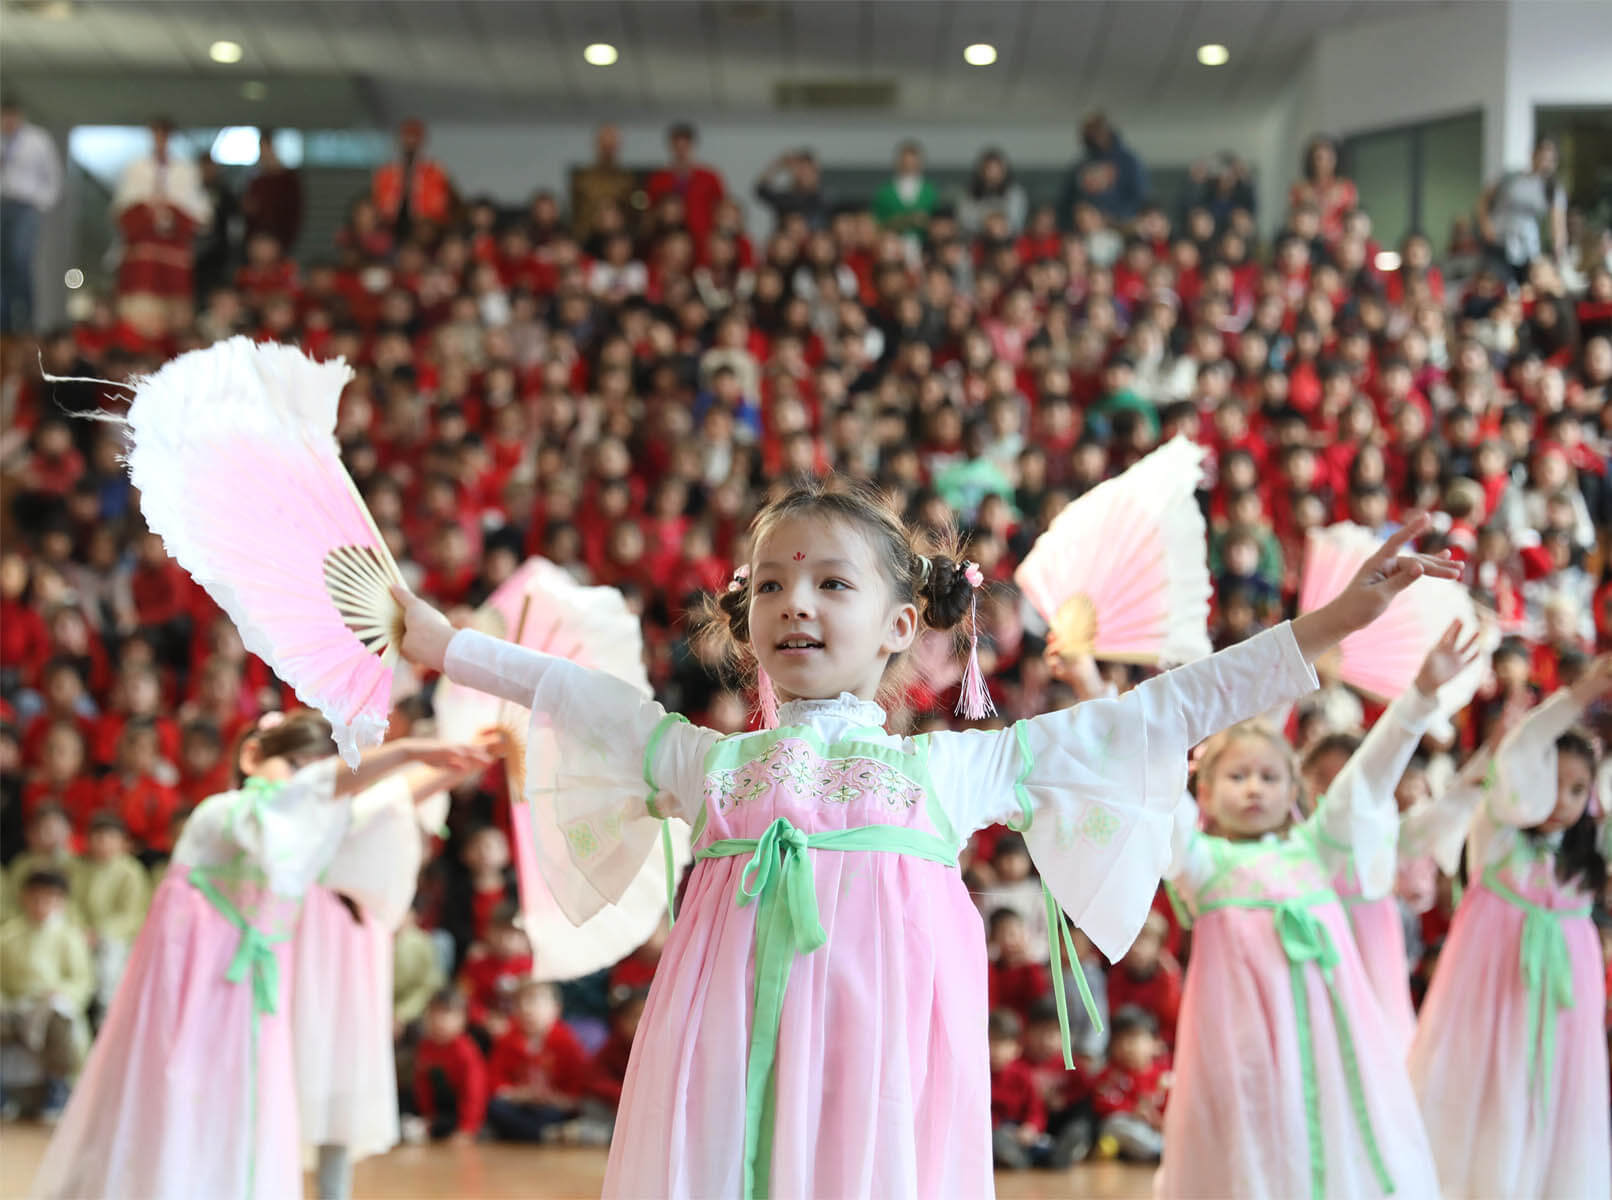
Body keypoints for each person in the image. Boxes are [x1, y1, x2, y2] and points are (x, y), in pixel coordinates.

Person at [390, 477, 1455, 1199]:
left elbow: (1155, 715)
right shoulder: (704, 763)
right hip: (723, 1064)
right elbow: (582, 698)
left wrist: (1325, 629)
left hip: (876, 1075)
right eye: (770, 584)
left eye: (829, 583)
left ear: (902, 625)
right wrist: (448, 648)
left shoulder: (947, 769)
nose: (793, 605)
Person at [29, 710, 489, 1200]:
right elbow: (309, 795)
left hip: (249, 1004)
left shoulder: (310, 828)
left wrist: (459, 758)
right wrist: (408, 750)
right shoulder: (224, 815)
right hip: (188, 998)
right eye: (292, 764)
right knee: (175, 1106)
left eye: (313, 768)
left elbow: (388, 796)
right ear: (251, 757)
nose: (304, 779)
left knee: (244, 1116)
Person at [1154, 628, 1479, 1200]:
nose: (1253, 788)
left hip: (1329, 1051)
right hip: (1244, 1054)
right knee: (1253, 1142)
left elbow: (1366, 780)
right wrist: (1149, 724)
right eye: (1236, 776)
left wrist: (1421, 695)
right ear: (1204, 793)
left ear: (1293, 791)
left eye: (1269, 776)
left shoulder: (1316, 851)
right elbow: (1162, 806)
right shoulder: (1203, 864)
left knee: (1329, 1142)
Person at [1407, 657, 1612, 1199]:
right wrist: (1576, 697)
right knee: (1489, 1094)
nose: (1558, 801)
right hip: (1490, 1003)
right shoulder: (1495, 836)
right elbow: (1519, 752)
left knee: (1552, 1101)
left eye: (1575, 790)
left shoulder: (1584, 864)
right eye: (1548, 780)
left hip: (1562, 1009)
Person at [294, 748, 492, 1200]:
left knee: (342, 1085)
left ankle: (333, 1192)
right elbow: (410, 785)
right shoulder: (326, 818)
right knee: (298, 1077)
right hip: (311, 953)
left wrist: (478, 754)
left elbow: (417, 786)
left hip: (354, 952)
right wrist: (429, 751)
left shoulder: (370, 908)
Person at [0, 869, 92, 1120]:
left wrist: (60, 992)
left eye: (48, 898)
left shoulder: (69, 936)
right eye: (35, 898)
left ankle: (57, 1088)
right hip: (16, 1004)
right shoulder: (8, 935)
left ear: (60, 902)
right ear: (23, 898)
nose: (41, 905)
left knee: (58, 1018)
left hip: (51, 1004)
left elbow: (82, 980)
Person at [110, 117, 211, 327]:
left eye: (164, 135)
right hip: (142, 267)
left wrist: (171, 213)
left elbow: (199, 217)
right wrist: (147, 211)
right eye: (156, 135)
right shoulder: (136, 169)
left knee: (174, 323)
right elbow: (122, 213)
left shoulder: (185, 171)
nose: (160, 141)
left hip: (173, 265)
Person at [485, 980, 592, 1142]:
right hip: (520, 1103)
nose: (526, 1009)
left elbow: (577, 1084)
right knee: (496, 1108)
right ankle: (544, 1135)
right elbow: (494, 1079)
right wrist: (517, 1094)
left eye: (534, 1001)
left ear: (556, 1009)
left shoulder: (566, 1042)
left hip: (552, 1106)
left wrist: (557, 1098)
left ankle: (527, 1133)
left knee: (556, 1115)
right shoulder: (507, 1041)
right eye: (519, 1003)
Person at [69, 812, 149, 1017]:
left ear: (123, 842)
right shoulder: (76, 867)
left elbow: (132, 913)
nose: (103, 843)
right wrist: (82, 929)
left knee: (110, 957)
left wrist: (101, 932)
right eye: (98, 837)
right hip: (79, 932)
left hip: (116, 936)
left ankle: (106, 1013)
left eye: (110, 837)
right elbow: (69, 905)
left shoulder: (131, 871)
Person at [0, 93, 63, 334]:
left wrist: (41, 202)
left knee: (20, 260)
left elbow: (53, 175)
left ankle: (25, 319)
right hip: (1, 204)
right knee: (2, 264)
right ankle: (4, 322)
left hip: (26, 206)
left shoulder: (37, 140)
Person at [1478, 134, 1569, 285]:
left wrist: (1558, 252)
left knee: (1525, 287)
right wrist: (1485, 225)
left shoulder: (1553, 189)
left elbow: (1557, 225)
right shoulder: (1511, 177)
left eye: (1549, 159)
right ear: (1533, 155)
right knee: (1497, 285)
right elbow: (1483, 201)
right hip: (1498, 241)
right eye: (1542, 156)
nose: (1544, 162)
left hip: (1527, 248)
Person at [1091, 1005, 1170, 1163]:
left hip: (1161, 1129)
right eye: (1119, 1040)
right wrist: (1132, 1111)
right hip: (1130, 1127)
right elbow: (1103, 1104)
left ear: (1156, 1044)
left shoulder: (1166, 1075)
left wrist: (1161, 1121)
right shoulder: (1110, 1075)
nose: (1126, 1046)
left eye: (1134, 1038)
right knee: (1115, 1125)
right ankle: (1159, 1151)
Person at [411, 988, 489, 1143]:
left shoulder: (466, 1051)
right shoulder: (425, 1048)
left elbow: (474, 1093)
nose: (439, 1021)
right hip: (440, 1112)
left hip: (463, 1112)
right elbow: (422, 1086)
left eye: (447, 1015)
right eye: (434, 1014)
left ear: (462, 1019)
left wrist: (467, 1129)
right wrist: (428, 1116)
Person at [371, 117, 455, 244]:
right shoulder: (386, 172)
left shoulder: (434, 171)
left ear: (422, 140)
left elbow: (440, 205)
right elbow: (379, 203)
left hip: (425, 229)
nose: (410, 141)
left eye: (415, 136)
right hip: (392, 228)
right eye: (406, 136)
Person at [645, 123, 725, 255]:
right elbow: (651, 213)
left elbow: (719, 210)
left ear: (692, 146)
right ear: (671, 147)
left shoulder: (709, 178)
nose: (681, 152)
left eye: (685, 147)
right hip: (666, 244)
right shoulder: (658, 179)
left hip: (702, 243)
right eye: (677, 147)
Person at [1057, 112, 1148, 228]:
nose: (1091, 136)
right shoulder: (1083, 163)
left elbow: (1138, 196)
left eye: (1095, 131)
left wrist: (1117, 216)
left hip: (1120, 223)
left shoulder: (1127, 161)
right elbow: (1069, 198)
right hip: (1087, 225)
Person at [571, 123, 638, 243]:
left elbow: (633, 217)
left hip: (620, 243)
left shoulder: (628, 180)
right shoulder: (582, 179)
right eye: (605, 146)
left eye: (612, 146)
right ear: (597, 145)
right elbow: (575, 217)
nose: (608, 150)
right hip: (588, 242)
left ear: (618, 147)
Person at [241, 129, 303, 256]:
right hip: (256, 241)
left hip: (279, 241)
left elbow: (293, 214)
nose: (263, 153)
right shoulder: (256, 181)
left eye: (266, 148)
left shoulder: (288, 180)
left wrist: (282, 242)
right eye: (261, 148)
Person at [1289, 135, 1358, 245]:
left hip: (1339, 245)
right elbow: (1292, 221)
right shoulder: (1299, 189)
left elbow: (1352, 220)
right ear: (1311, 160)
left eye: (1329, 158)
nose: (1324, 163)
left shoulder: (1346, 187)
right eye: (1319, 158)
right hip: (1307, 243)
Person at [871, 141, 938, 243]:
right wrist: (903, 220)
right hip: (892, 246)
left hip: (924, 244)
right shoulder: (885, 193)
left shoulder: (930, 192)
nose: (909, 166)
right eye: (905, 162)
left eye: (913, 163)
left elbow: (938, 222)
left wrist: (925, 221)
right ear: (898, 162)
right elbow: (876, 223)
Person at [956, 148, 1027, 240]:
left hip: (1007, 241)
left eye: (996, 170)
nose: (992, 174)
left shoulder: (1015, 192)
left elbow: (1016, 221)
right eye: (989, 169)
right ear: (981, 171)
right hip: (975, 240)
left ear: (1004, 171)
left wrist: (998, 225)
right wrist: (986, 223)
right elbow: (963, 219)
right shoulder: (968, 192)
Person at [754, 148, 828, 231]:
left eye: (809, 170)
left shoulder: (825, 200)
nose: (805, 175)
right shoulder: (786, 199)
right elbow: (761, 189)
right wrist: (779, 164)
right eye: (801, 171)